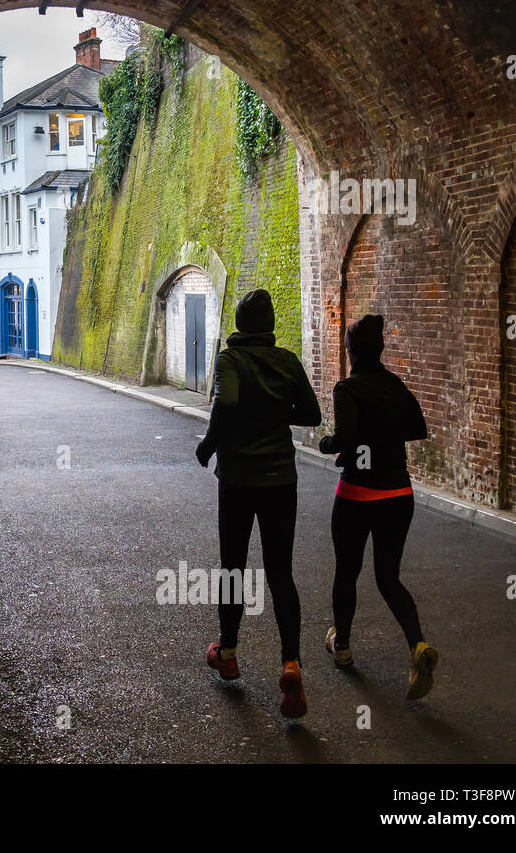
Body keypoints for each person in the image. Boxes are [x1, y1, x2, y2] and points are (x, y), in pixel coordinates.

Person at [195, 288, 321, 718]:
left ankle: (227, 652)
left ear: (240, 324)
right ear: (268, 326)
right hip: (280, 479)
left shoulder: (230, 360)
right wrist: (272, 409)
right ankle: (291, 663)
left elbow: (226, 403)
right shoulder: (286, 361)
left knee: (233, 567)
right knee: (280, 572)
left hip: (238, 479)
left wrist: (208, 445)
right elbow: (310, 414)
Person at [318, 314, 437, 699]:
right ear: (381, 349)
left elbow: (347, 438)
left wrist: (328, 444)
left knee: (347, 573)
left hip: (358, 496)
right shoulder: (395, 385)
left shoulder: (347, 389)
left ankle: (344, 647)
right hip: (399, 496)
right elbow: (416, 428)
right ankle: (418, 645)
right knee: (388, 577)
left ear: (351, 352)